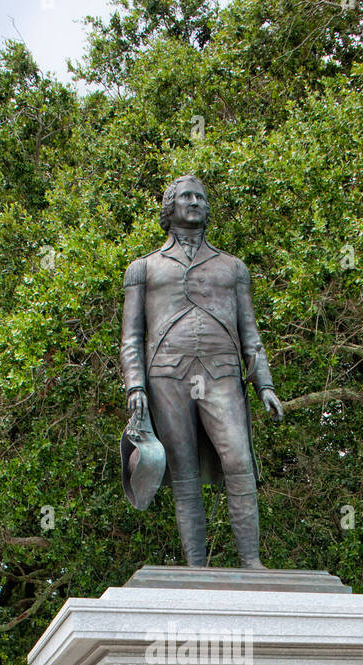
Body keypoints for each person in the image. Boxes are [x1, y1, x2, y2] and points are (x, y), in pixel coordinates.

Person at [120, 175, 284, 567]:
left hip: (223, 373)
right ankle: (196, 568)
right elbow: (131, 335)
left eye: (200, 197)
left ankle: (252, 562)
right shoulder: (143, 269)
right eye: (186, 197)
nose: (194, 202)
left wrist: (264, 383)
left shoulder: (233, 267)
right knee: (184, 471)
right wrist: (135, 386)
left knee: (239, 461)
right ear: (170, 208)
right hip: (165, 376)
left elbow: (250, 331)